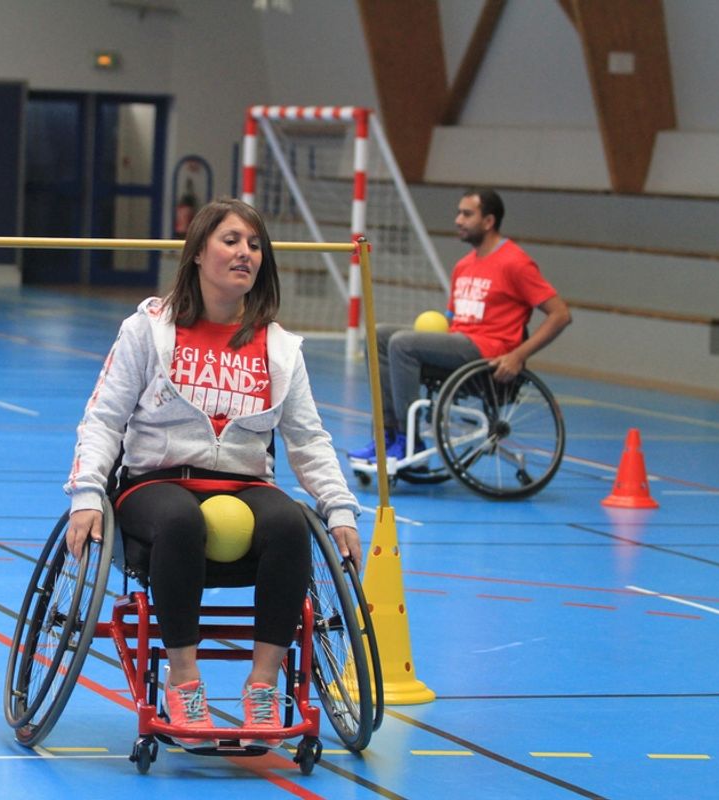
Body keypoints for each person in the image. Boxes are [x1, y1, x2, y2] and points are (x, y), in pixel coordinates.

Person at [64, 198, 363, 749]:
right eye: (231, 241)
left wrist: (340, 507)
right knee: (181, 521)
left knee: (291, 523)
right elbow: (104, 416)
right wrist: (86, 493)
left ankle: (263, 685)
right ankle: (184, 682)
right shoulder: (149, 328)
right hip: (157, 485)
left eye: (253, 245)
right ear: (199, 252)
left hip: (246, 487)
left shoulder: (279, 349)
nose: (244, 253)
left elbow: (308, 439)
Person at [349, 187, 572, 462]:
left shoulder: (515, 262)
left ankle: (410, 441)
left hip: (488, 351)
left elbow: (560, 314)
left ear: (488, 222)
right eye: (458, 213)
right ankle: (387, 437)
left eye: (467, 214)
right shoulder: (463, 266)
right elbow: (453, 320)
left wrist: (518, 355)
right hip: (458, 344)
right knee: (380, 334)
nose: (458, 220)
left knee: (403, 343)